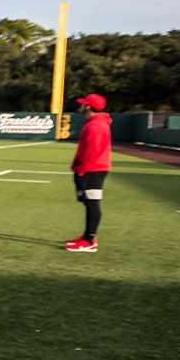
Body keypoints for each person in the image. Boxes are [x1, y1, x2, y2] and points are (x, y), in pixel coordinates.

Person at [66, 93, 112, 253]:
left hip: (93, 169)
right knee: (88, 202)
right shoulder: (94, 123)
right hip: (92, 168)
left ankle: (89, 240)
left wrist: (81, 170)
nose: (81, 105)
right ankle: (87, 236)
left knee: (92, 203)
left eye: (83, 103)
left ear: (89, 106)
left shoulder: (96, 125)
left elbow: (92, 151)